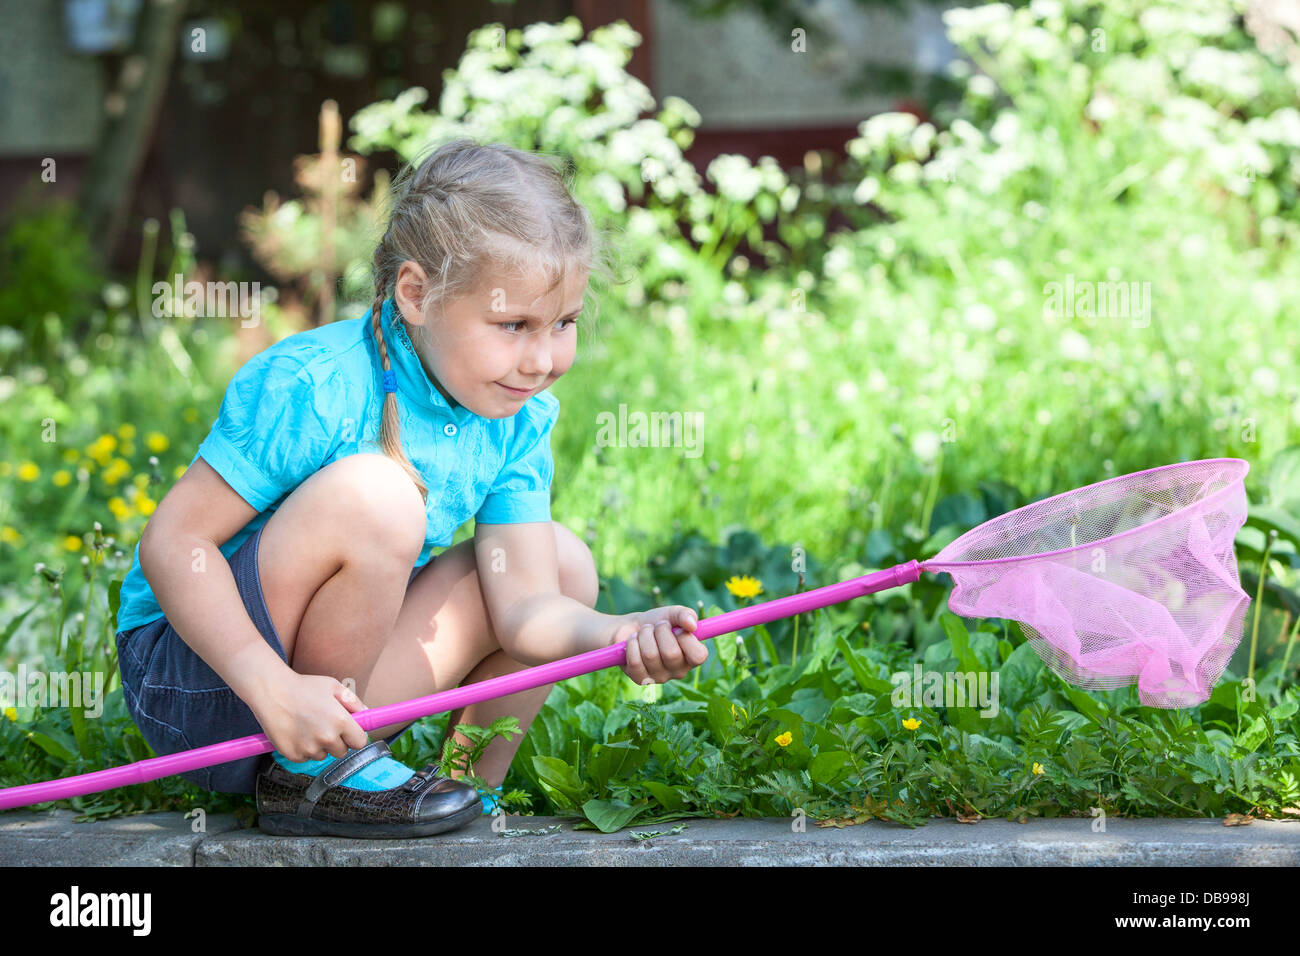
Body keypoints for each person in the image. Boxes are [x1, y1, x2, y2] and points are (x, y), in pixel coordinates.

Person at [113, 139, 709, 839]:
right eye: (513, 325)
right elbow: (174, 543)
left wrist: (619, 632)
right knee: (381, 494)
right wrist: (269, 684)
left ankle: (460, 789)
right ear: (417, 294)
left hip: (332, 700)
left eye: (564, 324)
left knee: (564, 563)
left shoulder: (517, 417)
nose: (544, 359)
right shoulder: (318, 383)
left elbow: (523, 613)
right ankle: (313, 779)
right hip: (208, 683)